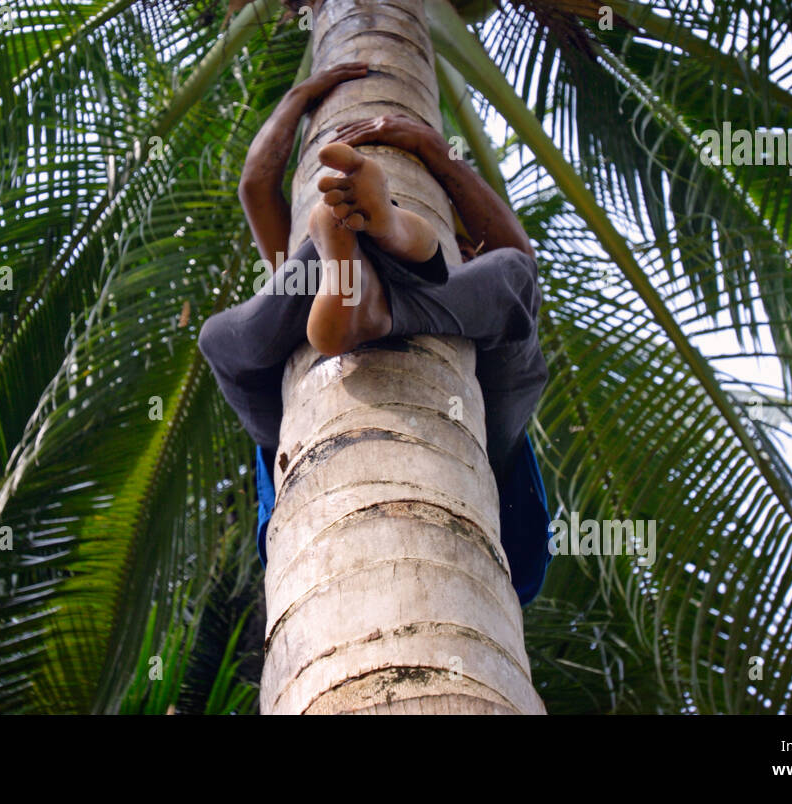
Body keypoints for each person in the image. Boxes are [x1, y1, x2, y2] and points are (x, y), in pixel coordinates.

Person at [199, 62, 551, 605]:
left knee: (222, 337)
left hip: (454, 408)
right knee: (229, 332)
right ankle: (374, 262)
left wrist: (306, 97)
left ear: (468, 250)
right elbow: (523, 263)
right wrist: (308, 95)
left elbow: (254, 182)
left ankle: (380, 259)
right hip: (333, 363)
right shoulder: (299, 277)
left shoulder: (477, 271)